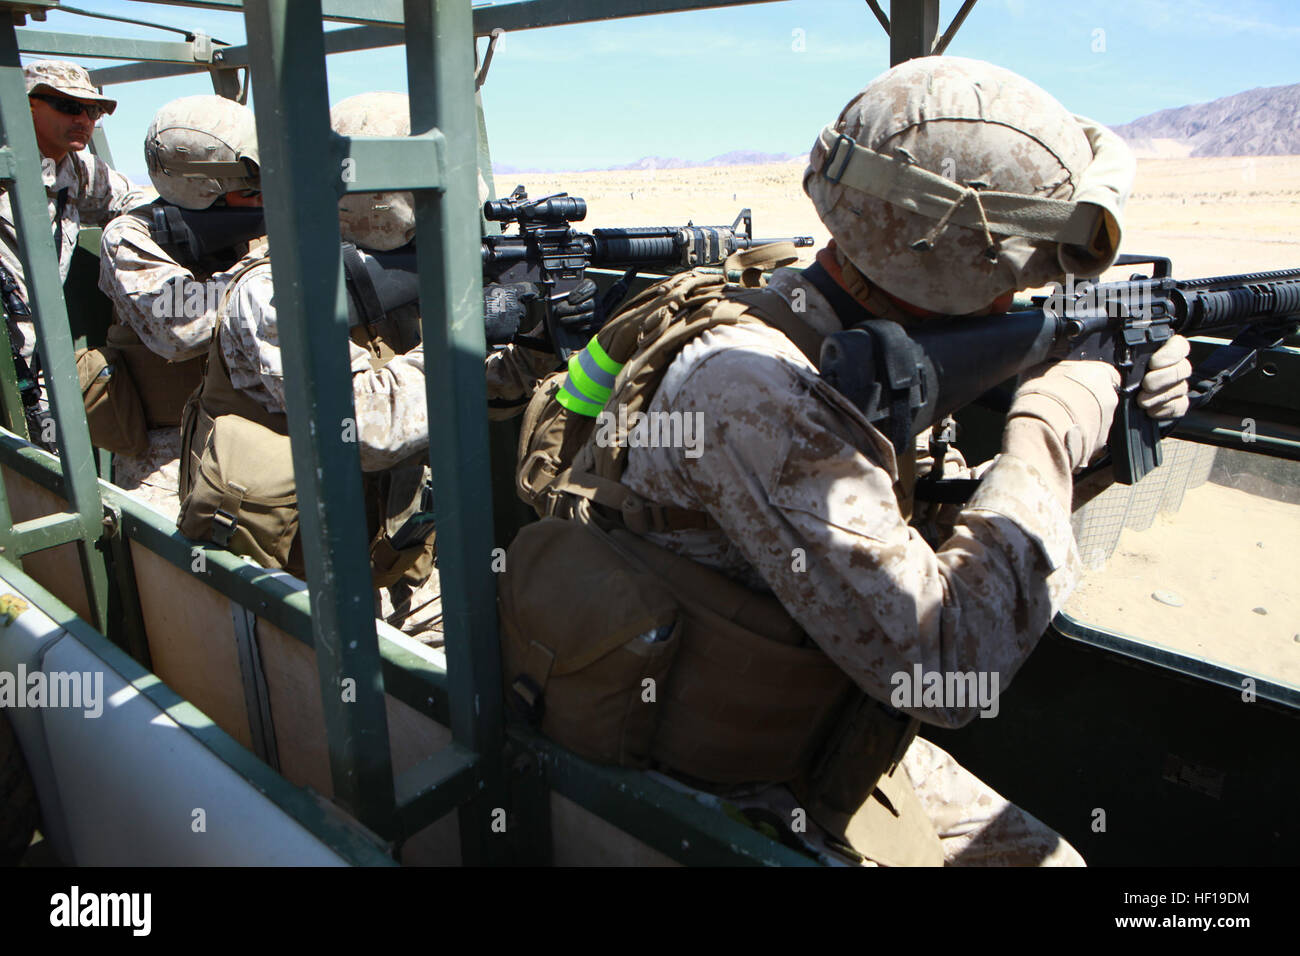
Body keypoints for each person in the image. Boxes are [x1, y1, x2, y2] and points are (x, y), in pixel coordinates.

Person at [503, 56, 1194, 865]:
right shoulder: (756, 390)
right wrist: (1046, 432)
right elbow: (944, 670)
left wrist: (1101, 442)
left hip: (817, 723)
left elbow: (919, 538)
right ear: (965, 255)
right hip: (709, 773)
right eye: (1024, 269)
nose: (1025, 298)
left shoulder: (830, 330)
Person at [176, 91, 581, 642]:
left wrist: (533, 335)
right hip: (285, 565)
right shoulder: (274, 290)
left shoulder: (403, 276)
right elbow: (367, 427)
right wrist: (467, 329)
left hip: (388, 552)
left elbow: (477, 396)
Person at [97, 95, 264, 520]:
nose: (264, 199)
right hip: (170, 452)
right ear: (205, 187)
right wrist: (267, 260)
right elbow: (178, 328)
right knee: (181, 566)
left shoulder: (249, 229)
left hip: (252, 431)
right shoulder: (131, 236)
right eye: (251, 190)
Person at [1, 61, 145, 379]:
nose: (83, 119)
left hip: (38, 346)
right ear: (27, 105)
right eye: (68, 106)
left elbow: (133, 203)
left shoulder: (78, 168)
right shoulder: (5, 164)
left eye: (92, 111)